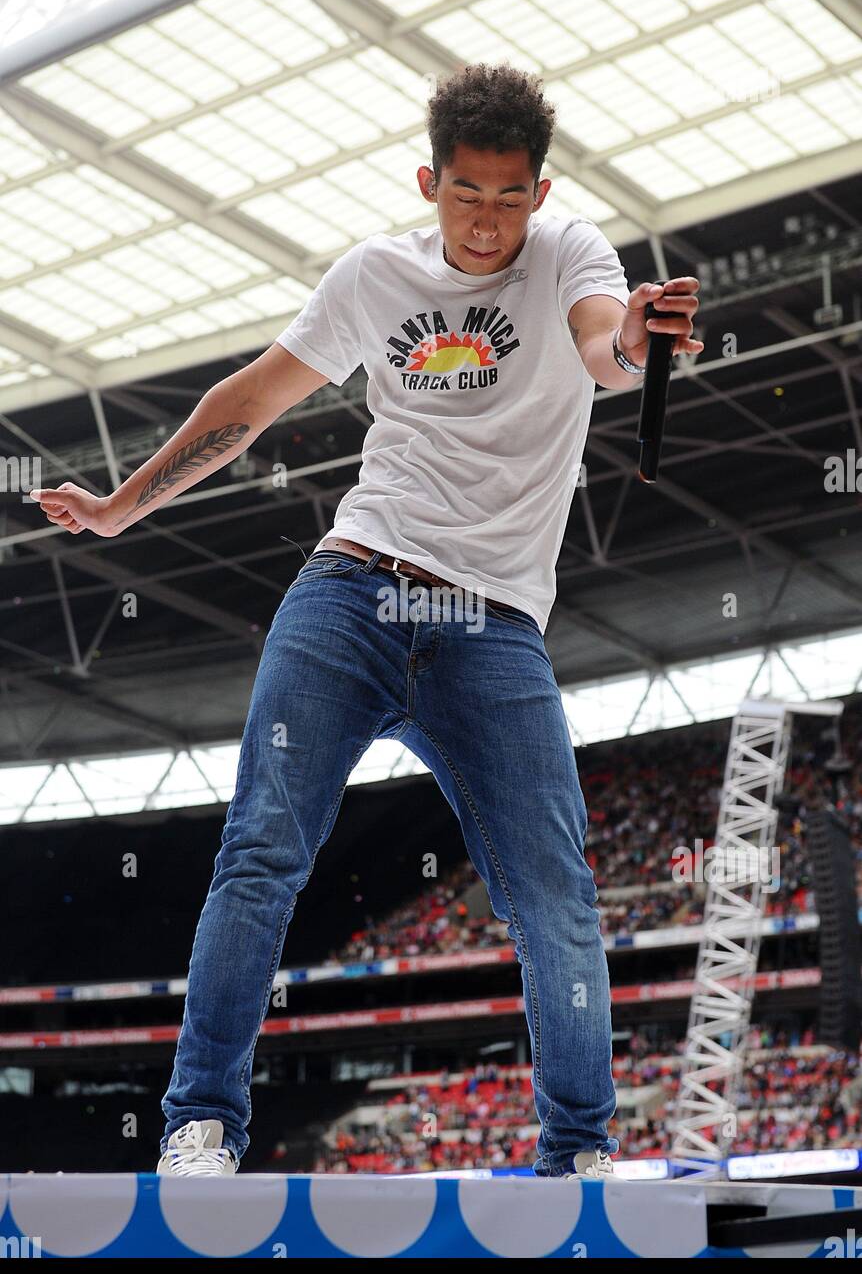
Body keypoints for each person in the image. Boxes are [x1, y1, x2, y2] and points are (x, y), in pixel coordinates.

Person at [31, 63, 701, 1179]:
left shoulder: (573, 254)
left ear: (540, 192)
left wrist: (635, 339)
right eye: (464, 195)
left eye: (508, 197)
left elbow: (603, 346)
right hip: (351, 590)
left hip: (490, 628)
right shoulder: (372, 276)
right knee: (260, 850)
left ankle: (577, 1151)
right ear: (428, 180)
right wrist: (117, 506)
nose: (486, 222)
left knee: (553, 891)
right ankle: (201, 1125)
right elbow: (246, 404)